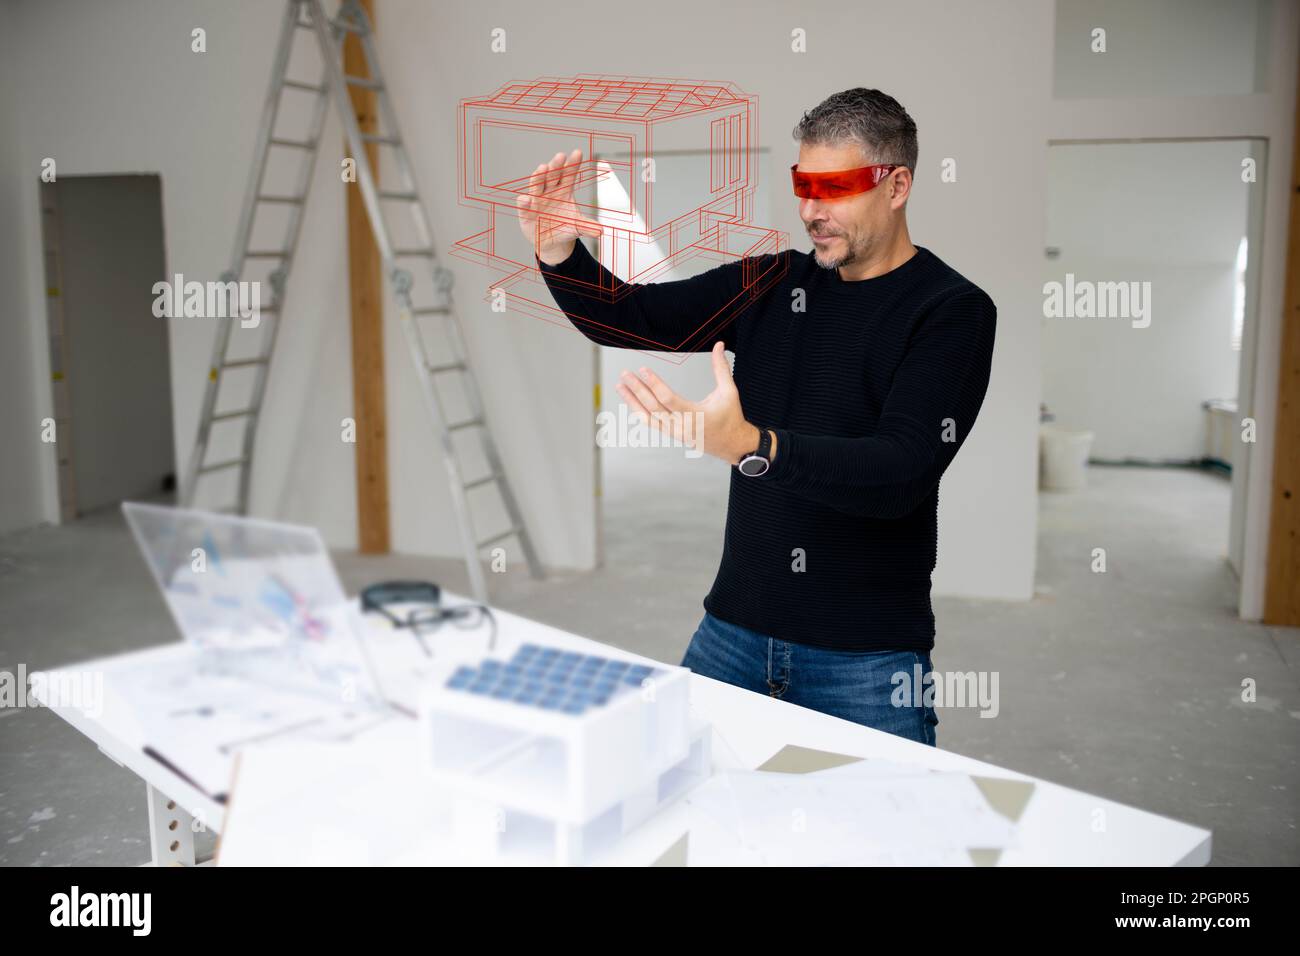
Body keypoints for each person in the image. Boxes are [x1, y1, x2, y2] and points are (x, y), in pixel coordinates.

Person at [520, 88, 996, 746]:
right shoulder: (773, 284)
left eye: (836, 188)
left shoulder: (952, 311)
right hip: (732, 635)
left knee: (883, 839)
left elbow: (900, 473)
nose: (811, 210)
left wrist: (754, 445)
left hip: (866, 659)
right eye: (804, 185)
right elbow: (629, 316)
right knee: (688, 811)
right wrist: (559, 254)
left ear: (897, 185)